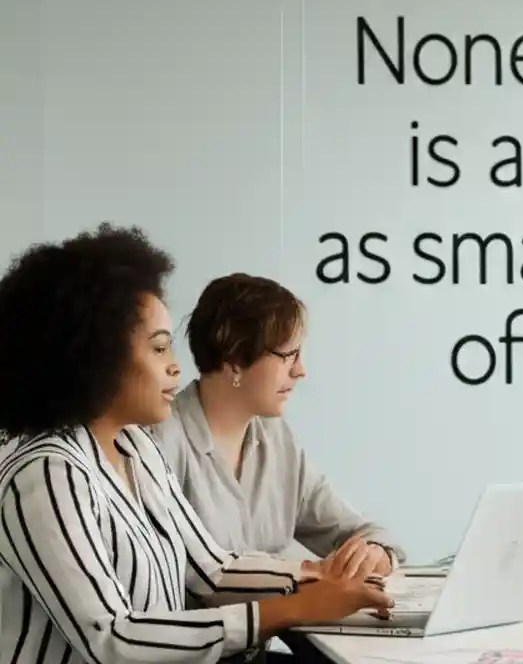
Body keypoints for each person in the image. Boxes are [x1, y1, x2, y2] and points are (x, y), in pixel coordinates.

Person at [0, 224, 392, 664]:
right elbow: (112, 640)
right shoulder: (47, 474)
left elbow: (212, 570)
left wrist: (320, 575)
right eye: (159, 348)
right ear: (96, 354)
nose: (175, 367)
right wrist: (296, 607)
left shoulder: (135, 448)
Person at [152, 273, 405, 581]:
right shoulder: (158, 443)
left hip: (279, 628)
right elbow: (196, 578)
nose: (301, 371)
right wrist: (309, 573)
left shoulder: (277, 438)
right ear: (234, 360)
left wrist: (376, 552)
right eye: (289, 356)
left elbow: (362, 531)